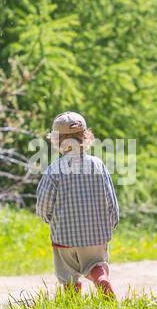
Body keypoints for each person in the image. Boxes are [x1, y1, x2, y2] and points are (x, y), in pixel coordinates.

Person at [34, 111, 119, 298]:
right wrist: (110, 223)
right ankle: (101, 279)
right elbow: (110, 200)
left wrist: (47, 218)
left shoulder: (54, 170)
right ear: (85, 136)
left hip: (65, 236)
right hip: (96, 234)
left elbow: (44, 203)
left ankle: (72, 303)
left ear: (57, 140)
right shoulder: (98, 165)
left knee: (67, 273)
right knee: (96, 265)